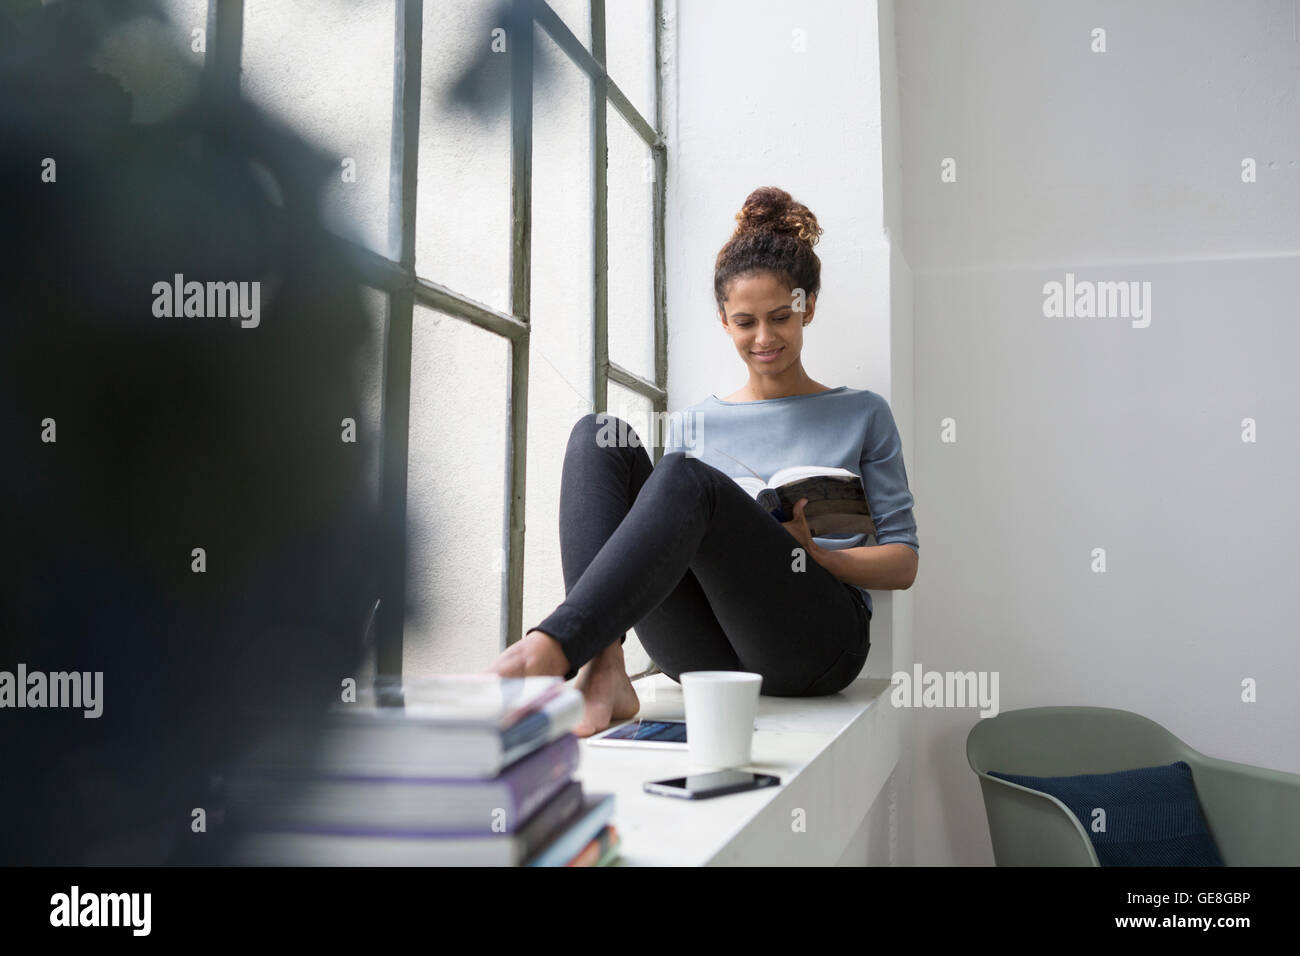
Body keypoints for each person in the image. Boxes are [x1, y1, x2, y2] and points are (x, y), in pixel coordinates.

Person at [487, 186, 919, 737]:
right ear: (723, 320)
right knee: (600, 435)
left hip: (814, 644)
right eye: (745, 322)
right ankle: (604, 666)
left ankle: (551, 647)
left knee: (686, 478)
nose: (764, 338)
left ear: (807, 307)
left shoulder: (862, 413)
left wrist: (816, 556)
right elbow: (658, 548)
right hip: (703, 655)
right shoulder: (693, 424)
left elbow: (904, 562)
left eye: (781, 317)